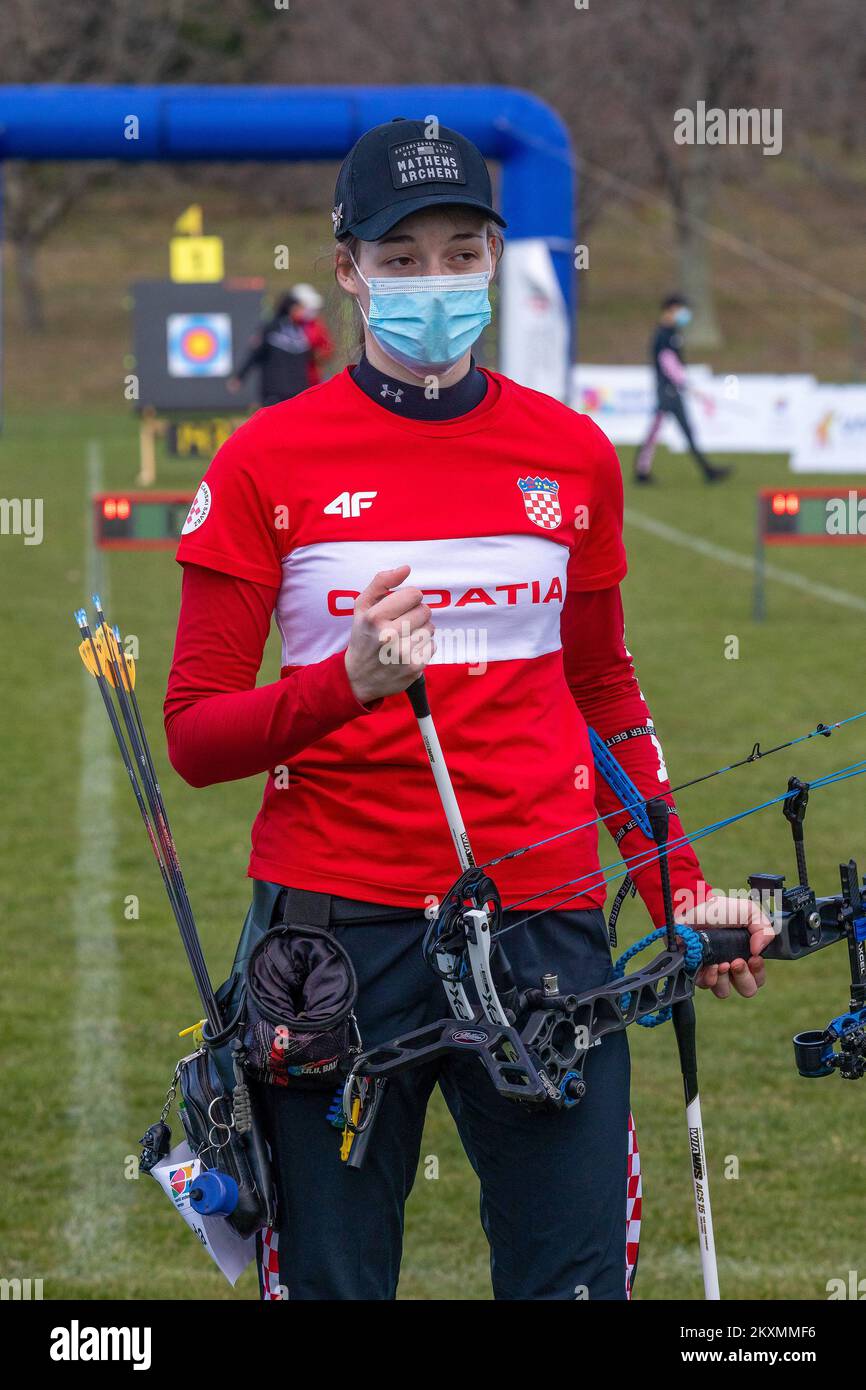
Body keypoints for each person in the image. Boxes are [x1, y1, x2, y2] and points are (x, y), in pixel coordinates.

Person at [165, 117, 772, 1302]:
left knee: (573, 1277)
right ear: (346, 269)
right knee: (336, 1283)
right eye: (399, 259)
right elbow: (192, 733)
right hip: (332, 940)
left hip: (541, 925)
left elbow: (599, 689)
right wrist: (345, 685)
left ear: (495, 259)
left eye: (459, 251)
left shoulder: (573, 456)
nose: (432, 281)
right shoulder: (264, 461)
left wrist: (676, 886)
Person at [634, 294, 731, 484]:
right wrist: (686, 385)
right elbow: (668, 362)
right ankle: (641, 472)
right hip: (667, 391)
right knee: (655, 431)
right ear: (670, 309)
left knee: (685, 431)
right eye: (681, 309)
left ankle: (708, 471)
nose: (685, 314)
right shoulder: (664, 334)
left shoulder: (673, 332)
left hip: (673, 391)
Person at [229, 292, 313, 405]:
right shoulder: (271, 328)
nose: (302, 312)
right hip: (274, 392)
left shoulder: (300, 331)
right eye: (299, 309)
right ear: (291, 309)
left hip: (296, 392)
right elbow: (255, 354)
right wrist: (240, 377)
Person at [290, 282, 335, 386]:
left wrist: (317, 354)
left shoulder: (317, 325)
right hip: (289, 380)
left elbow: (328, 348)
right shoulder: (284, 326)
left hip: (311, 379)